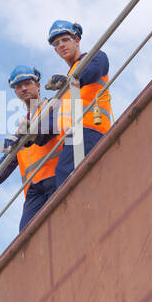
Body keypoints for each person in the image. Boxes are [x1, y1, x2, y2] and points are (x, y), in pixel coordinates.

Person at [0, 65, 63, 232]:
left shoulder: (52, 105)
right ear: (15, 92)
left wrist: (25, 136)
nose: (23, 89)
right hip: (33, 188)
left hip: (55, 176)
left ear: (38, 85)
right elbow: (9, 161)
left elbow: (48, 130)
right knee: (26, 234)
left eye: (27, 83)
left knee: (62, 221)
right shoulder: (21, 128)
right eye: (18, 86)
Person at [43, 19, 111, 187]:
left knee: (65, 173)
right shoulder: (68, 79)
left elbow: (93, 71)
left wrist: (69, 81)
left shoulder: (94, 57)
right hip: (75, 133)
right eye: (56, 43)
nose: (61, 45)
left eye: (65, 40)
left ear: (77, 40)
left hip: (91, 127)